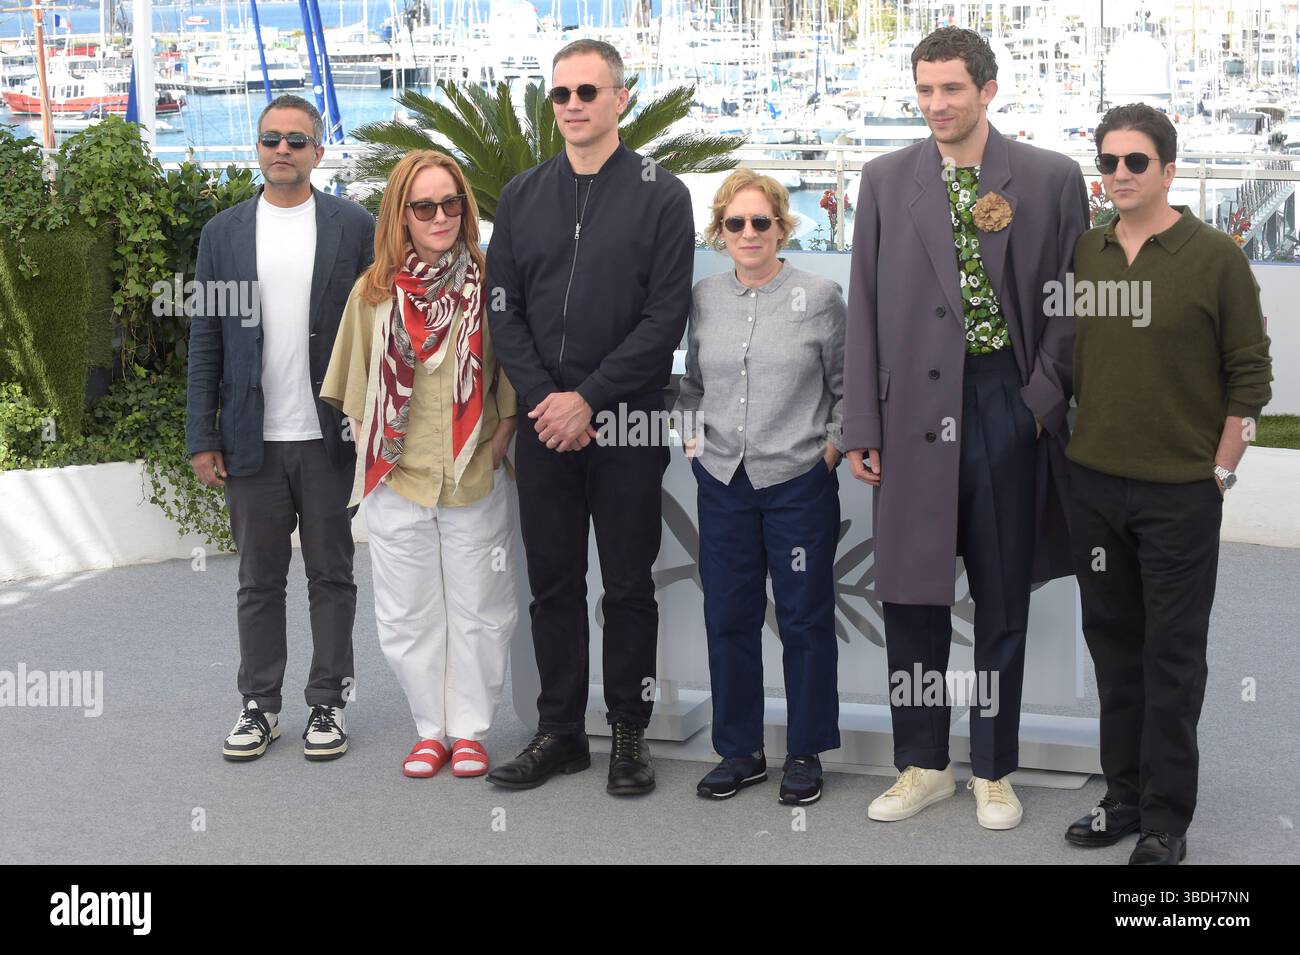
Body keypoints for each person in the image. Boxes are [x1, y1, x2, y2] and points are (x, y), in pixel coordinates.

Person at [842, 28, 1089, 829]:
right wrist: (861, 425)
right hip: (908, 411)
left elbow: (1069, 302)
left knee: (1001, 597)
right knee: (911, 596)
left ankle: (993, 768)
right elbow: (865, 309)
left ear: (988, 89)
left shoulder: (1050, 178)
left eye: (951, 88)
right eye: (924, 89)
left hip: (1001, 405)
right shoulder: (884, 179)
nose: (937, 104)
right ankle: (922, 763)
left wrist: (1037, 403)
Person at [1063, 104, 1272, 864]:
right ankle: (1121, 798)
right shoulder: (1085, 251)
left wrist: (1221, 470)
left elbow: (1251, 377)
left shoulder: (1216, 257)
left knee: (1172, 656)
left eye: (1136, 162)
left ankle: (1165, 821)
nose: (1120, 174)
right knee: (1113, 650)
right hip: (1092, 487)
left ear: (1169, 168)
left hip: (1181, 493)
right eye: (1110, 162)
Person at [484, 39, 694, 795]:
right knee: (552, 582)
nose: (572, 105)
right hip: (546, 427)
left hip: (626, 426)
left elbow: (664, 317)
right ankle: (560, 731)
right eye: (561, 94)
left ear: (620, 99)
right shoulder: (521, 195)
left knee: (629, 584)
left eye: (587, 92)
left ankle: (629, 734)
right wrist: (549, 401)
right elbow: (502, 309)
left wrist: (589, 399)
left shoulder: (662, 193)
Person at [186, 94, 376, 762]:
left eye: (298, 140)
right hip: (251, 438)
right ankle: (258, 704)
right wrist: (200, 435)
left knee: (333, 574)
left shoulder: (356, 226)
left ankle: (327, 701)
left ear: (318, 151)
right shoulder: (224, 234)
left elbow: (381, 331)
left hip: (330, 437)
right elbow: (205, 338)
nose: (284, 149)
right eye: (272, 138)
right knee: (258, 580)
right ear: (257, 148)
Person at [320, 151, 519, 779]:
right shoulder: (373, 292)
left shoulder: (490, 288)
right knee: (406, 612)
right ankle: (430, 729)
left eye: (451, 203)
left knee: (481, 609)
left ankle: (470, 731)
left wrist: (496, 444)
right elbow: (353, 387)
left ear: (465, 208)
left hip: (471, 475)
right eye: (424, 206)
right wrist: (371, 449)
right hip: (396, 480)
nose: (440, 217)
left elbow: (509, 386)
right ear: (401, 216)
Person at [675, 169, 845, 805]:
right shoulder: (704, 298)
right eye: (735, 223)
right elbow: (690, 384)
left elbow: (847, 387)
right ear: (720, 231)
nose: (748, 233)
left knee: (804, 620)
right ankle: (739, 751)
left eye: (761, 222)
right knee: (729, 617)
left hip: (798, 481)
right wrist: (692, 441)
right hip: (722, 480)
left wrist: (828, 453)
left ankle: (805, 753)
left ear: (782, 226)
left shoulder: (821, 296)